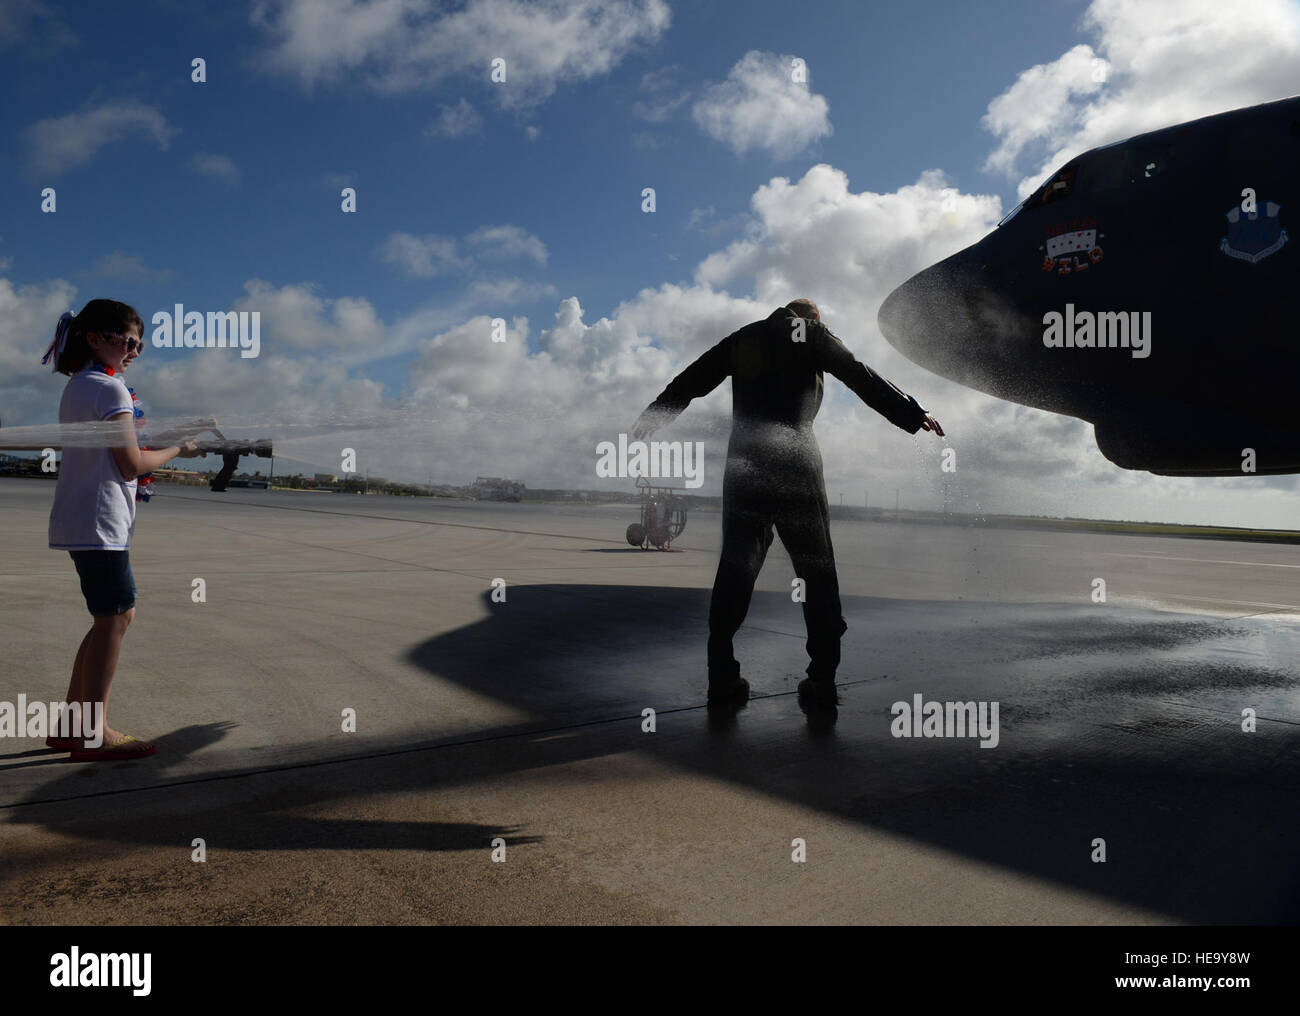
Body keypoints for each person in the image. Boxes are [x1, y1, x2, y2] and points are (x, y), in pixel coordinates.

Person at [632, 299, 944, 708]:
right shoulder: (812, 335)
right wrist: (911, 412)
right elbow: (860, 375)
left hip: (745, 466)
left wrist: (653, 417)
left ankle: (722, 676)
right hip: (797, 462)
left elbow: (691, 380)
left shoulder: (742, 337)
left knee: (736, 569)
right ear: (812, 318)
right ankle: (821, 678)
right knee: (816, 571)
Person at [41, 299, 205, 761]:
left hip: (82, 519)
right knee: (114, 619)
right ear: (95, 338)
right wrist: (178, 449)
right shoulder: (111, 392)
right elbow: (130, 464)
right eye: (128, 341)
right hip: (100, 522)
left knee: (113, 617)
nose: (135, 350)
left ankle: (72, 724)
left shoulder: (81, 385)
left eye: (140, 343)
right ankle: (94, 731)